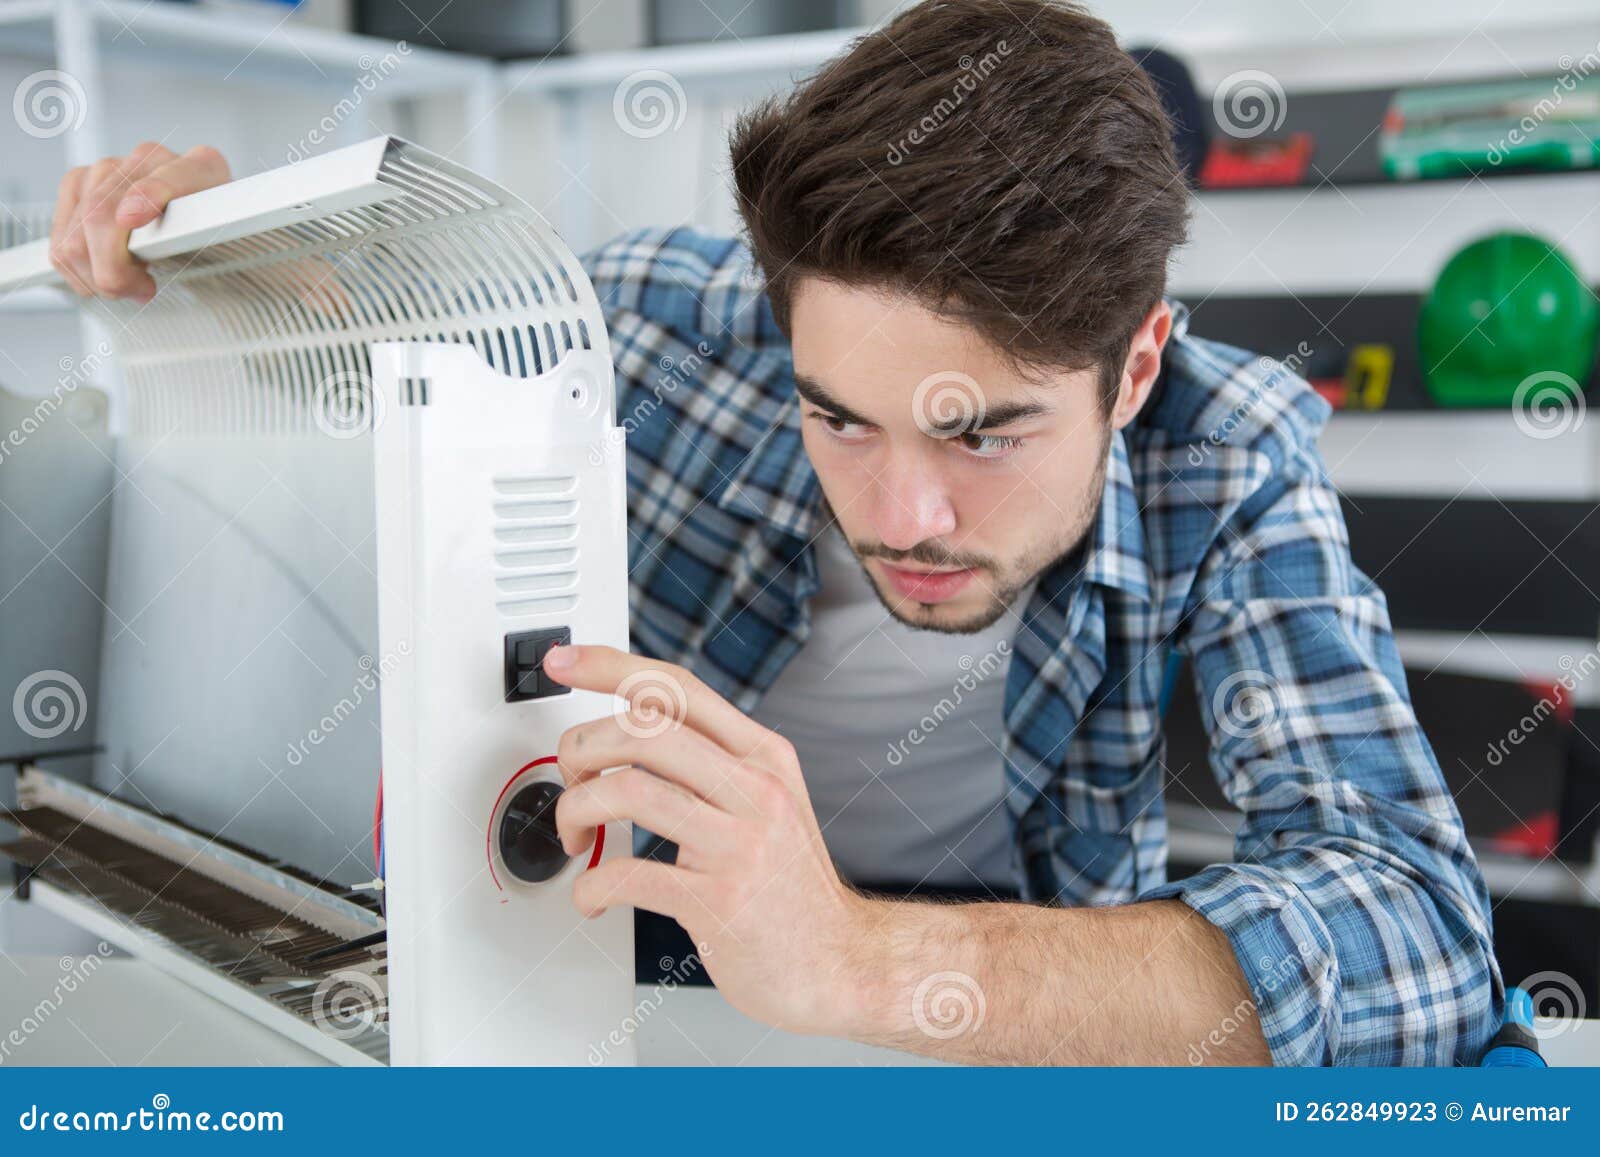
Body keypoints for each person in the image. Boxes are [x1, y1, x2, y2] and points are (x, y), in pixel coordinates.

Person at [45, 0, 1498, 1066]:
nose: (903, 520)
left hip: (999, 957)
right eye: (839, 417)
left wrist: (854, 953)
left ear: (1132, 371)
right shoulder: (644, 331)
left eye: (984, 434)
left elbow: (1418, 928)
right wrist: (235, 263)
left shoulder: (1226, 449)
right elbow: (367, 373)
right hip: (626, 926)